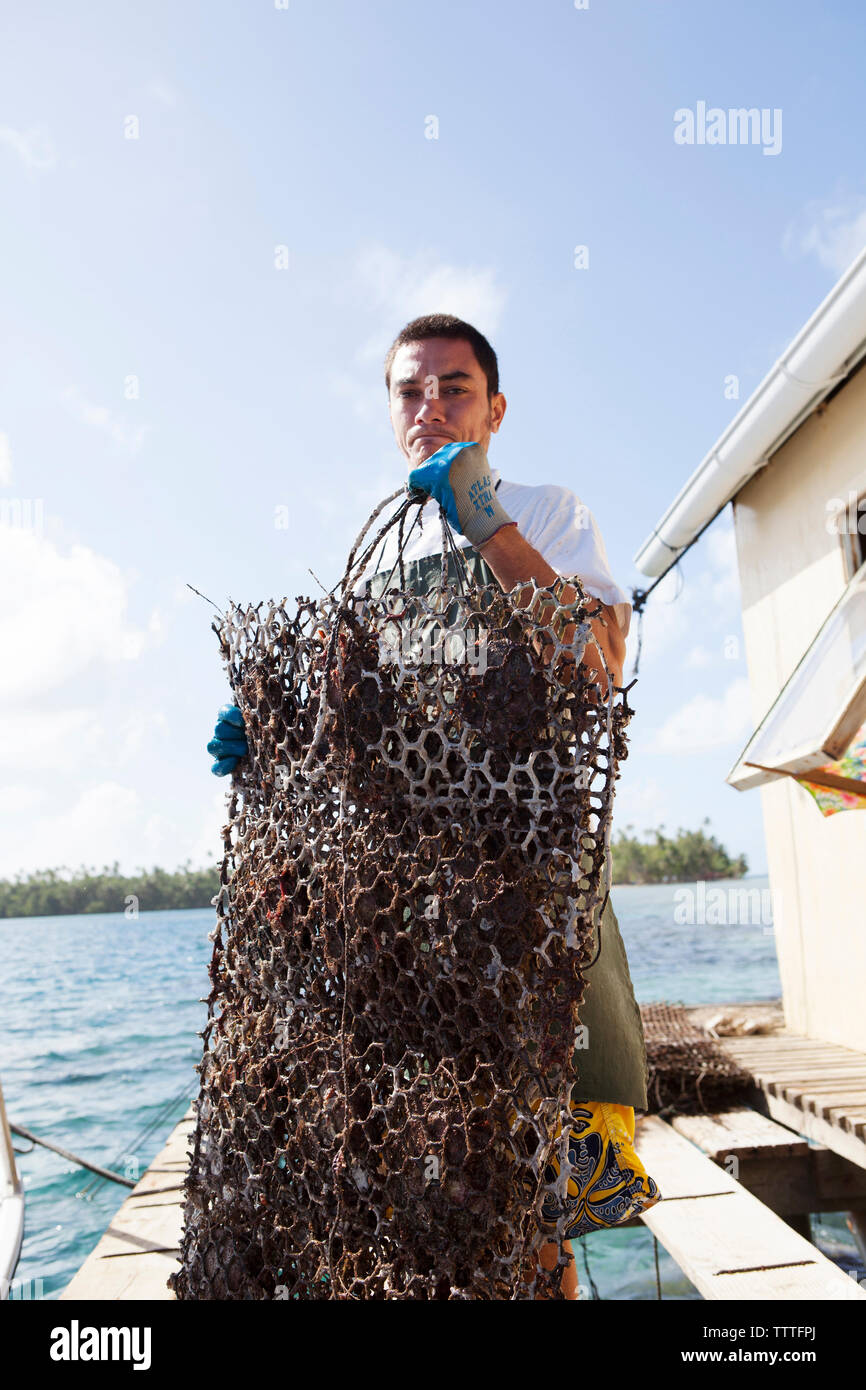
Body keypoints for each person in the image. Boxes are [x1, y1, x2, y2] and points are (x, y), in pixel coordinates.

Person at [207, 314, 659, 1299]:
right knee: (432, 1202)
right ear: (390, 412)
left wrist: (483, 518)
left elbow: (593, 669)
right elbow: (357, 758)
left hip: (525, 914)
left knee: (536, 1208)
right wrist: (273, 731)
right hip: (406, 934)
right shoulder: (368, 566)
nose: (430, 407)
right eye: (409, 391)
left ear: (493, 409)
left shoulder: (545, 514)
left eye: (453, 387)